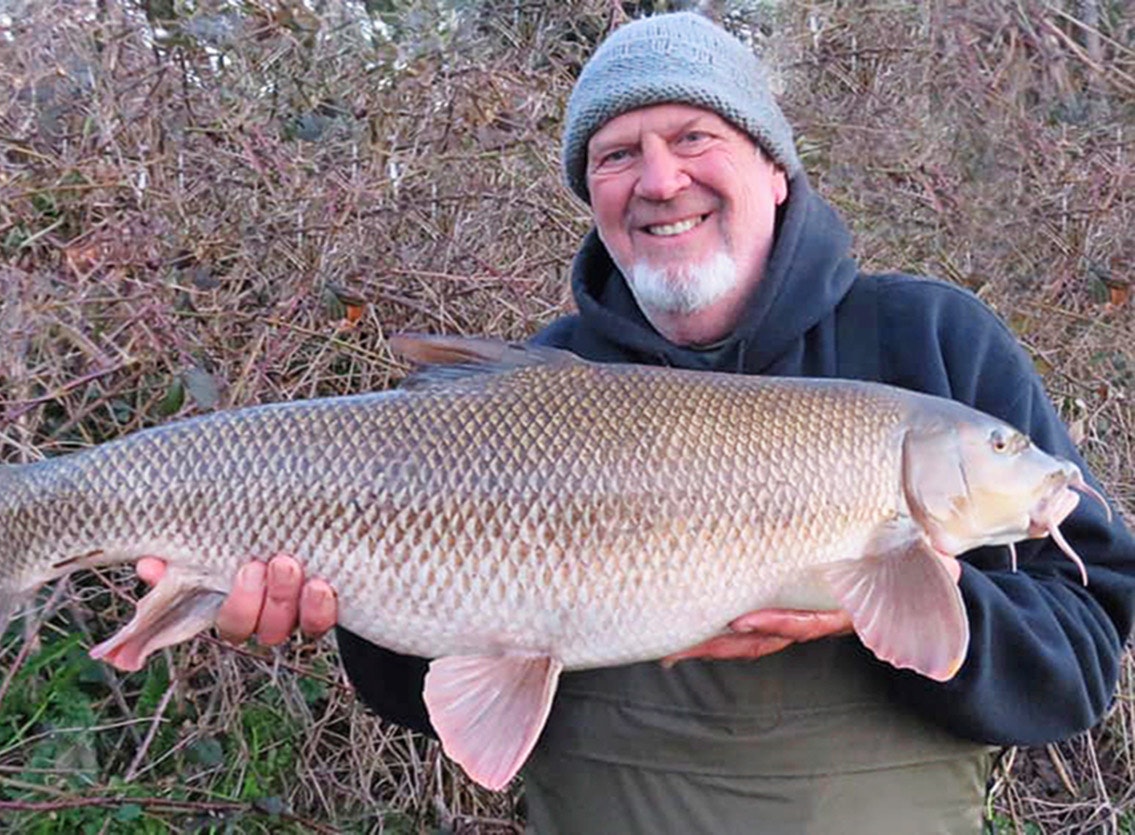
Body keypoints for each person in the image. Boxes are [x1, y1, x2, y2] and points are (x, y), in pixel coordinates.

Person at [141, 12, 1135, 833]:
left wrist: (912, 609)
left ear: (776, 170)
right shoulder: (536, 386)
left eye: (696, 138)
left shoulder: (930, 340)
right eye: (619, 153)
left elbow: (1087, 645)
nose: (660, 179)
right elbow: (424, 688)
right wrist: (330, 602)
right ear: (595, 198)